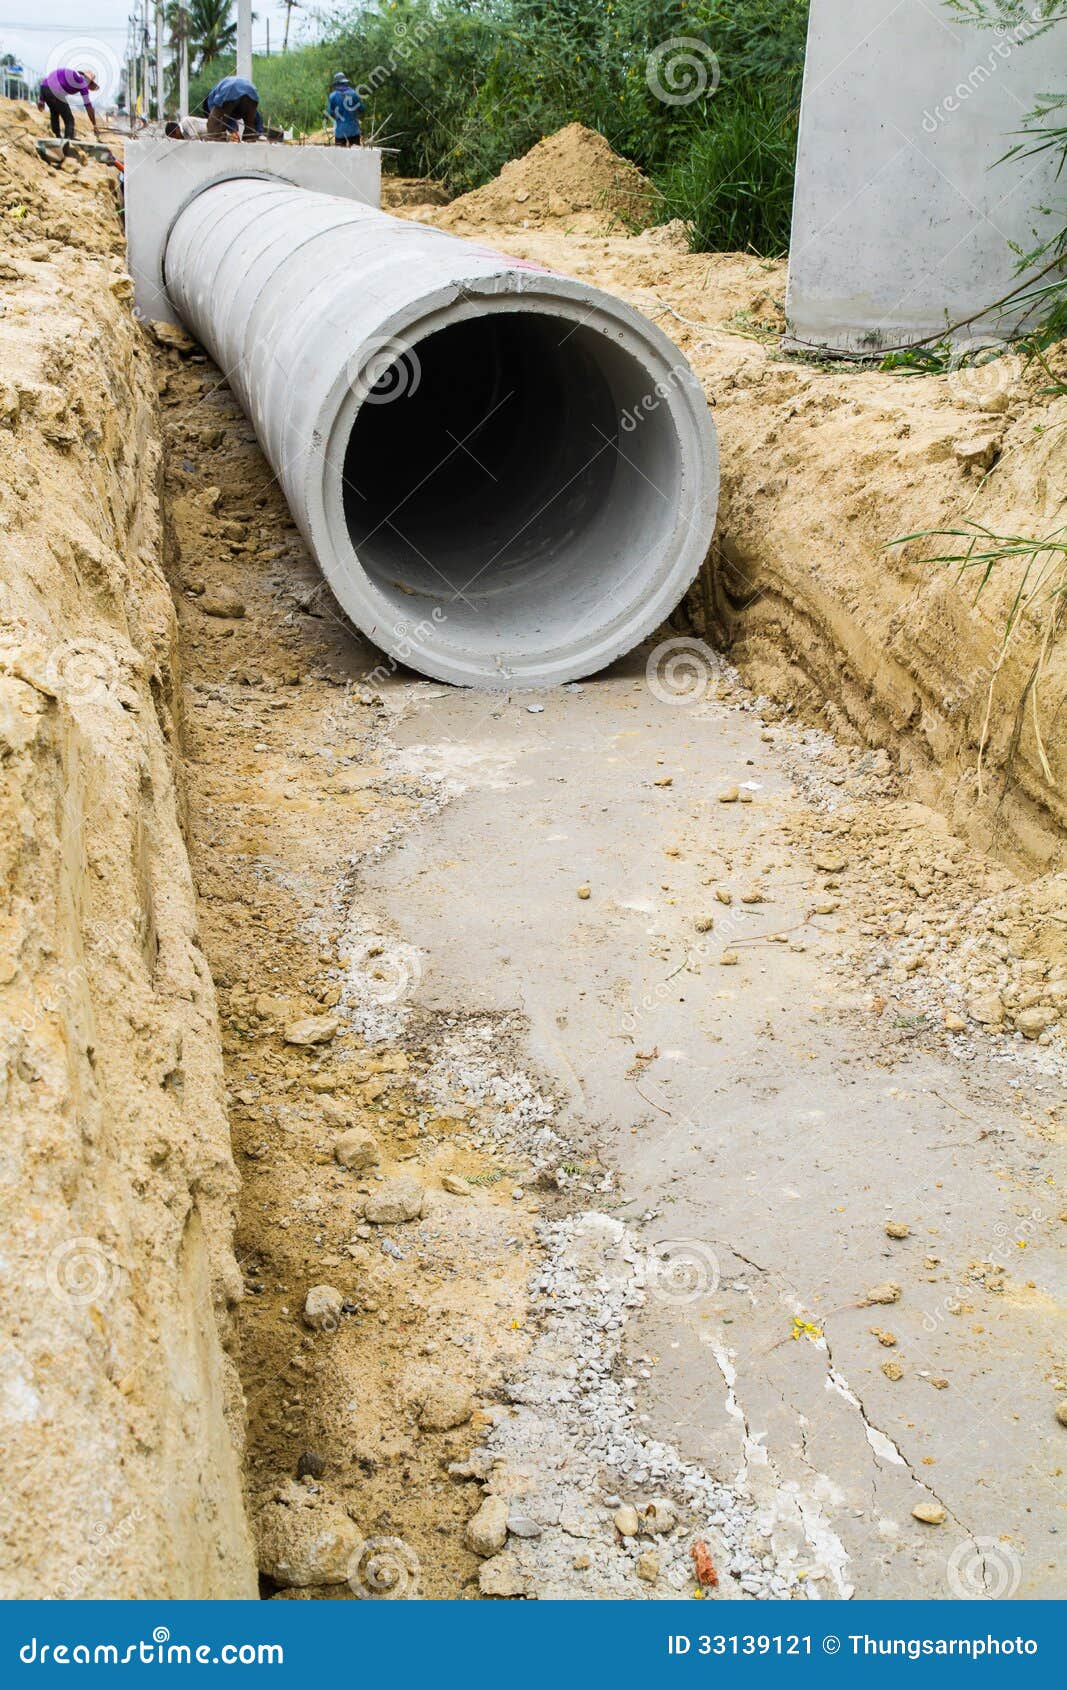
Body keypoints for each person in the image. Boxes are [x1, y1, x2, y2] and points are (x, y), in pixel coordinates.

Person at [38, 68, 99, 142]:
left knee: (54, 113)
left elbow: (45, 81)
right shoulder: (83, 82)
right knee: (69, 119)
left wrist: (41, 99)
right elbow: (88, 106)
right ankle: (68, 140)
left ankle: (56, 136)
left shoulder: (74, 76)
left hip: (44, 89)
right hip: (55, 91)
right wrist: (94, 124)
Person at [204, 75, 264, 142]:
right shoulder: (221, 97)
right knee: (250, 125)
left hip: (230, 89)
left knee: (214, 124)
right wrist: (259, 132)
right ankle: (250, 146)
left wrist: (230, 131)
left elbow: (219, 117)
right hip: (252, 92)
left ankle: (214, 146)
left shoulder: (210, 101)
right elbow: (257, 117)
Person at [327, 71, 364, 147]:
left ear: (336, 84)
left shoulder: (332, 96)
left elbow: (330, 112)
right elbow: (362, 109)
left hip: (340, 132)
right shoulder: (354, 94)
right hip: (354, 130)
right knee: (356, 154)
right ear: (345, 82)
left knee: (340, 156)